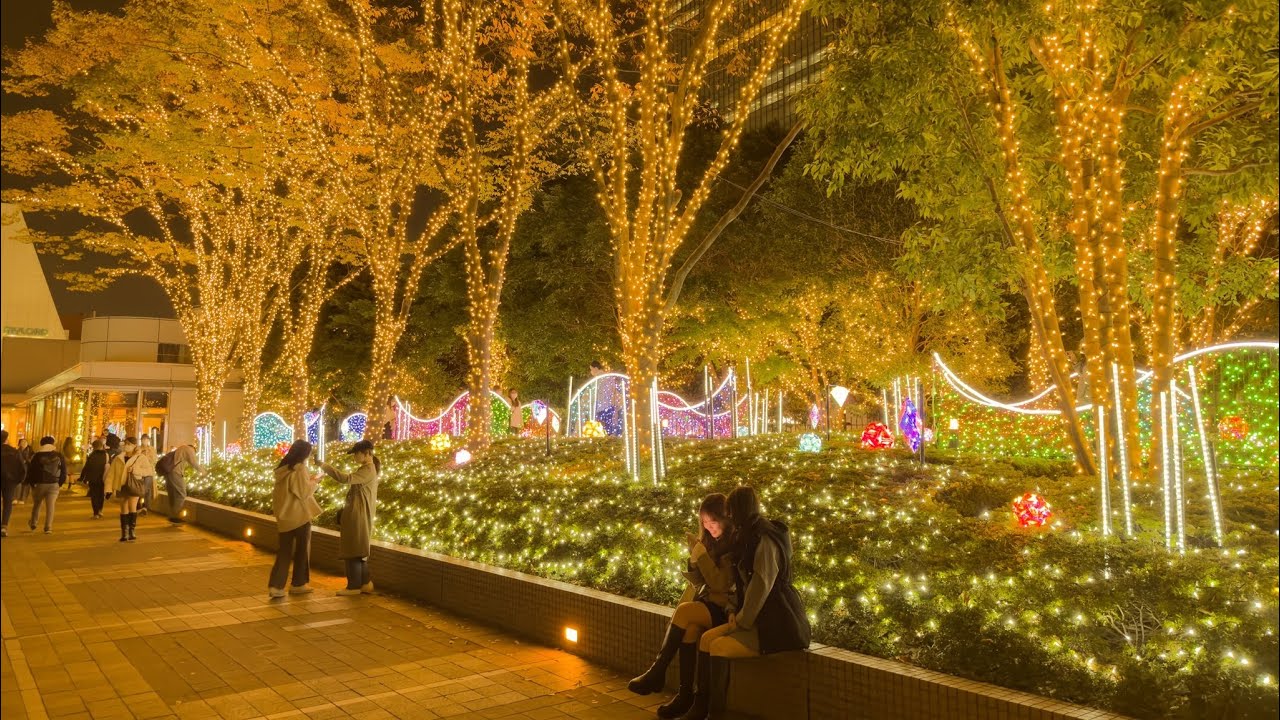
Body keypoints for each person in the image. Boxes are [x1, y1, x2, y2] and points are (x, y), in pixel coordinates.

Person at [679, 486, 810, 720]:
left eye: (730, 511)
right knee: (707, 638)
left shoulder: (764, 539)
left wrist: (740, 620)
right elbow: (742, 585)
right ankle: (700, 706)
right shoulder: (748, 536)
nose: (728, 517)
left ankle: (715, 714)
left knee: (717, 645)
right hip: (756, 618)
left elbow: (761, 585)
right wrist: (733, 609)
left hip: (776, 624)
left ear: (738, 511)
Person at [629, 494, 735, 718]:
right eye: (705, 522)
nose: (709, 527)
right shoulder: (710, 541)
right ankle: (686, 696)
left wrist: (702, 557)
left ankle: (657, 672)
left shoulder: (731, 544)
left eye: (713, 521)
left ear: (725, 519)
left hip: (728, 610)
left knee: (684, 611)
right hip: (710, 604)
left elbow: (721, 584)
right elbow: (703, 581)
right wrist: (694, 559)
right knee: (690, 629)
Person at [318, 439, 379, 596]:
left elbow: (345, 479)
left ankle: (353, 586)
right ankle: (365, 583)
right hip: (358, 512)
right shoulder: (367, 469)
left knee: (353, 549)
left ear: (366, 453)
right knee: (358, 549)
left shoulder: (367, 470)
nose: (354, 457)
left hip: (358, 514)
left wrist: (324, 466)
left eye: (356, 454)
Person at [269, 440, 323, 598]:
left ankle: (276, 586)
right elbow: (303, 492)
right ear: (305, 454)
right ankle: (298, 584)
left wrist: (308, 480)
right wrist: (315, 481)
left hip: (284, 517)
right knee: (301, 552)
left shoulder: (282, 469)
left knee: (284, 552)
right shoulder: (300, 468)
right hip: (299, 516)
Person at [24, 436, 67, 534]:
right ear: (52, 443)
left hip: (39, 484)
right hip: (53, 484)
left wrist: (32, 483)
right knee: (50, 506)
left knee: (37, 504)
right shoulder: (59, 455)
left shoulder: (37, 456)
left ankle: (33, 523)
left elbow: (31, 471)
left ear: (41, 444)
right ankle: (48, 527)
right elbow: (64, 470)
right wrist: (59, 483)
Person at [107, 437, 144, 542]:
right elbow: (111, 474)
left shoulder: (140, 457)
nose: (126, 446)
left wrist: (135, 470)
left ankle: (132, 531)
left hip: (133, 485)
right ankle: (125, 533)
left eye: (129, 444)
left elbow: (148, 471)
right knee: (123, 507)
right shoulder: (119, 458)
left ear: (134, 445)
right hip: (122, 485)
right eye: (125, 443)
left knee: (132, 507)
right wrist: (108, 489)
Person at [158, 441, 199, 523]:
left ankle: (172, 515)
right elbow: (194, 463)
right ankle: (174, 516)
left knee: (173, 494)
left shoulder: (179, 451)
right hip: (175, 473)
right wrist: (204, 471)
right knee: (182, 494)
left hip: (169, 473)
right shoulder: (187, 449)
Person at [1, 430, 27, 537]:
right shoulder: (14, 452)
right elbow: (22, 468)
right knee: (7, 503)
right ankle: (4, 527)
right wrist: (18, 480)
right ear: (6, 439)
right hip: (10, 481)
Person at [81, 440, 110, 519]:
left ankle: (96, 513)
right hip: (102, 478)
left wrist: (83, 478)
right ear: (101, 446)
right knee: (101, 495)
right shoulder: (106, 455)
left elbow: (86, 467)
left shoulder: (91, 455)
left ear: (93, 447)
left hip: (93, 479)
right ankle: (100, 510)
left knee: (94, 496)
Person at [136, 436, 158, 515]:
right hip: (139, 471)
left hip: (149, 471)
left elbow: (154, 460)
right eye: (143, 439)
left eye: (146, 439)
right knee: (138, 489)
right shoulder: (138, 448)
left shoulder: (152, 449)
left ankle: (145, 507)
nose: (145, 441)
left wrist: (147, 456)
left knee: (147, 489)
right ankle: (138, 505)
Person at [15, 438, 33, 504]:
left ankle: (22, 498)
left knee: (25, 484)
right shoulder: (16, 451)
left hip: (27, 470)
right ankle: (16, 497)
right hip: (18, 469)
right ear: (19, 444)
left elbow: (32, 460)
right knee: (18, 483)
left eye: (25, 442)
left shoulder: (31, 451)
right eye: (22, 442)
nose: (24, 443)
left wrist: (26, 460)